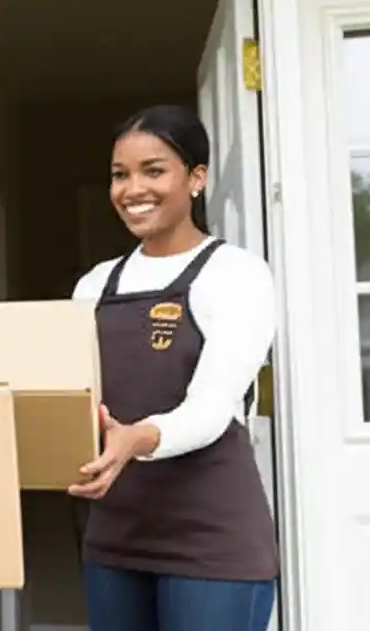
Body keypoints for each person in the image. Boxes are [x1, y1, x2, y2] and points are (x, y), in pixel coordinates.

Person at [66, 105, 279, 631]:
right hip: (115, 534)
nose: (132, 188)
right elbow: (69, 397)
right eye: (120, 174)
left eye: (153, 170)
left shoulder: (235, 274)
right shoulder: (95, 285)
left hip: (212, 539)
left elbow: (211, 408)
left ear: (197, 178)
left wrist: (133, 439)